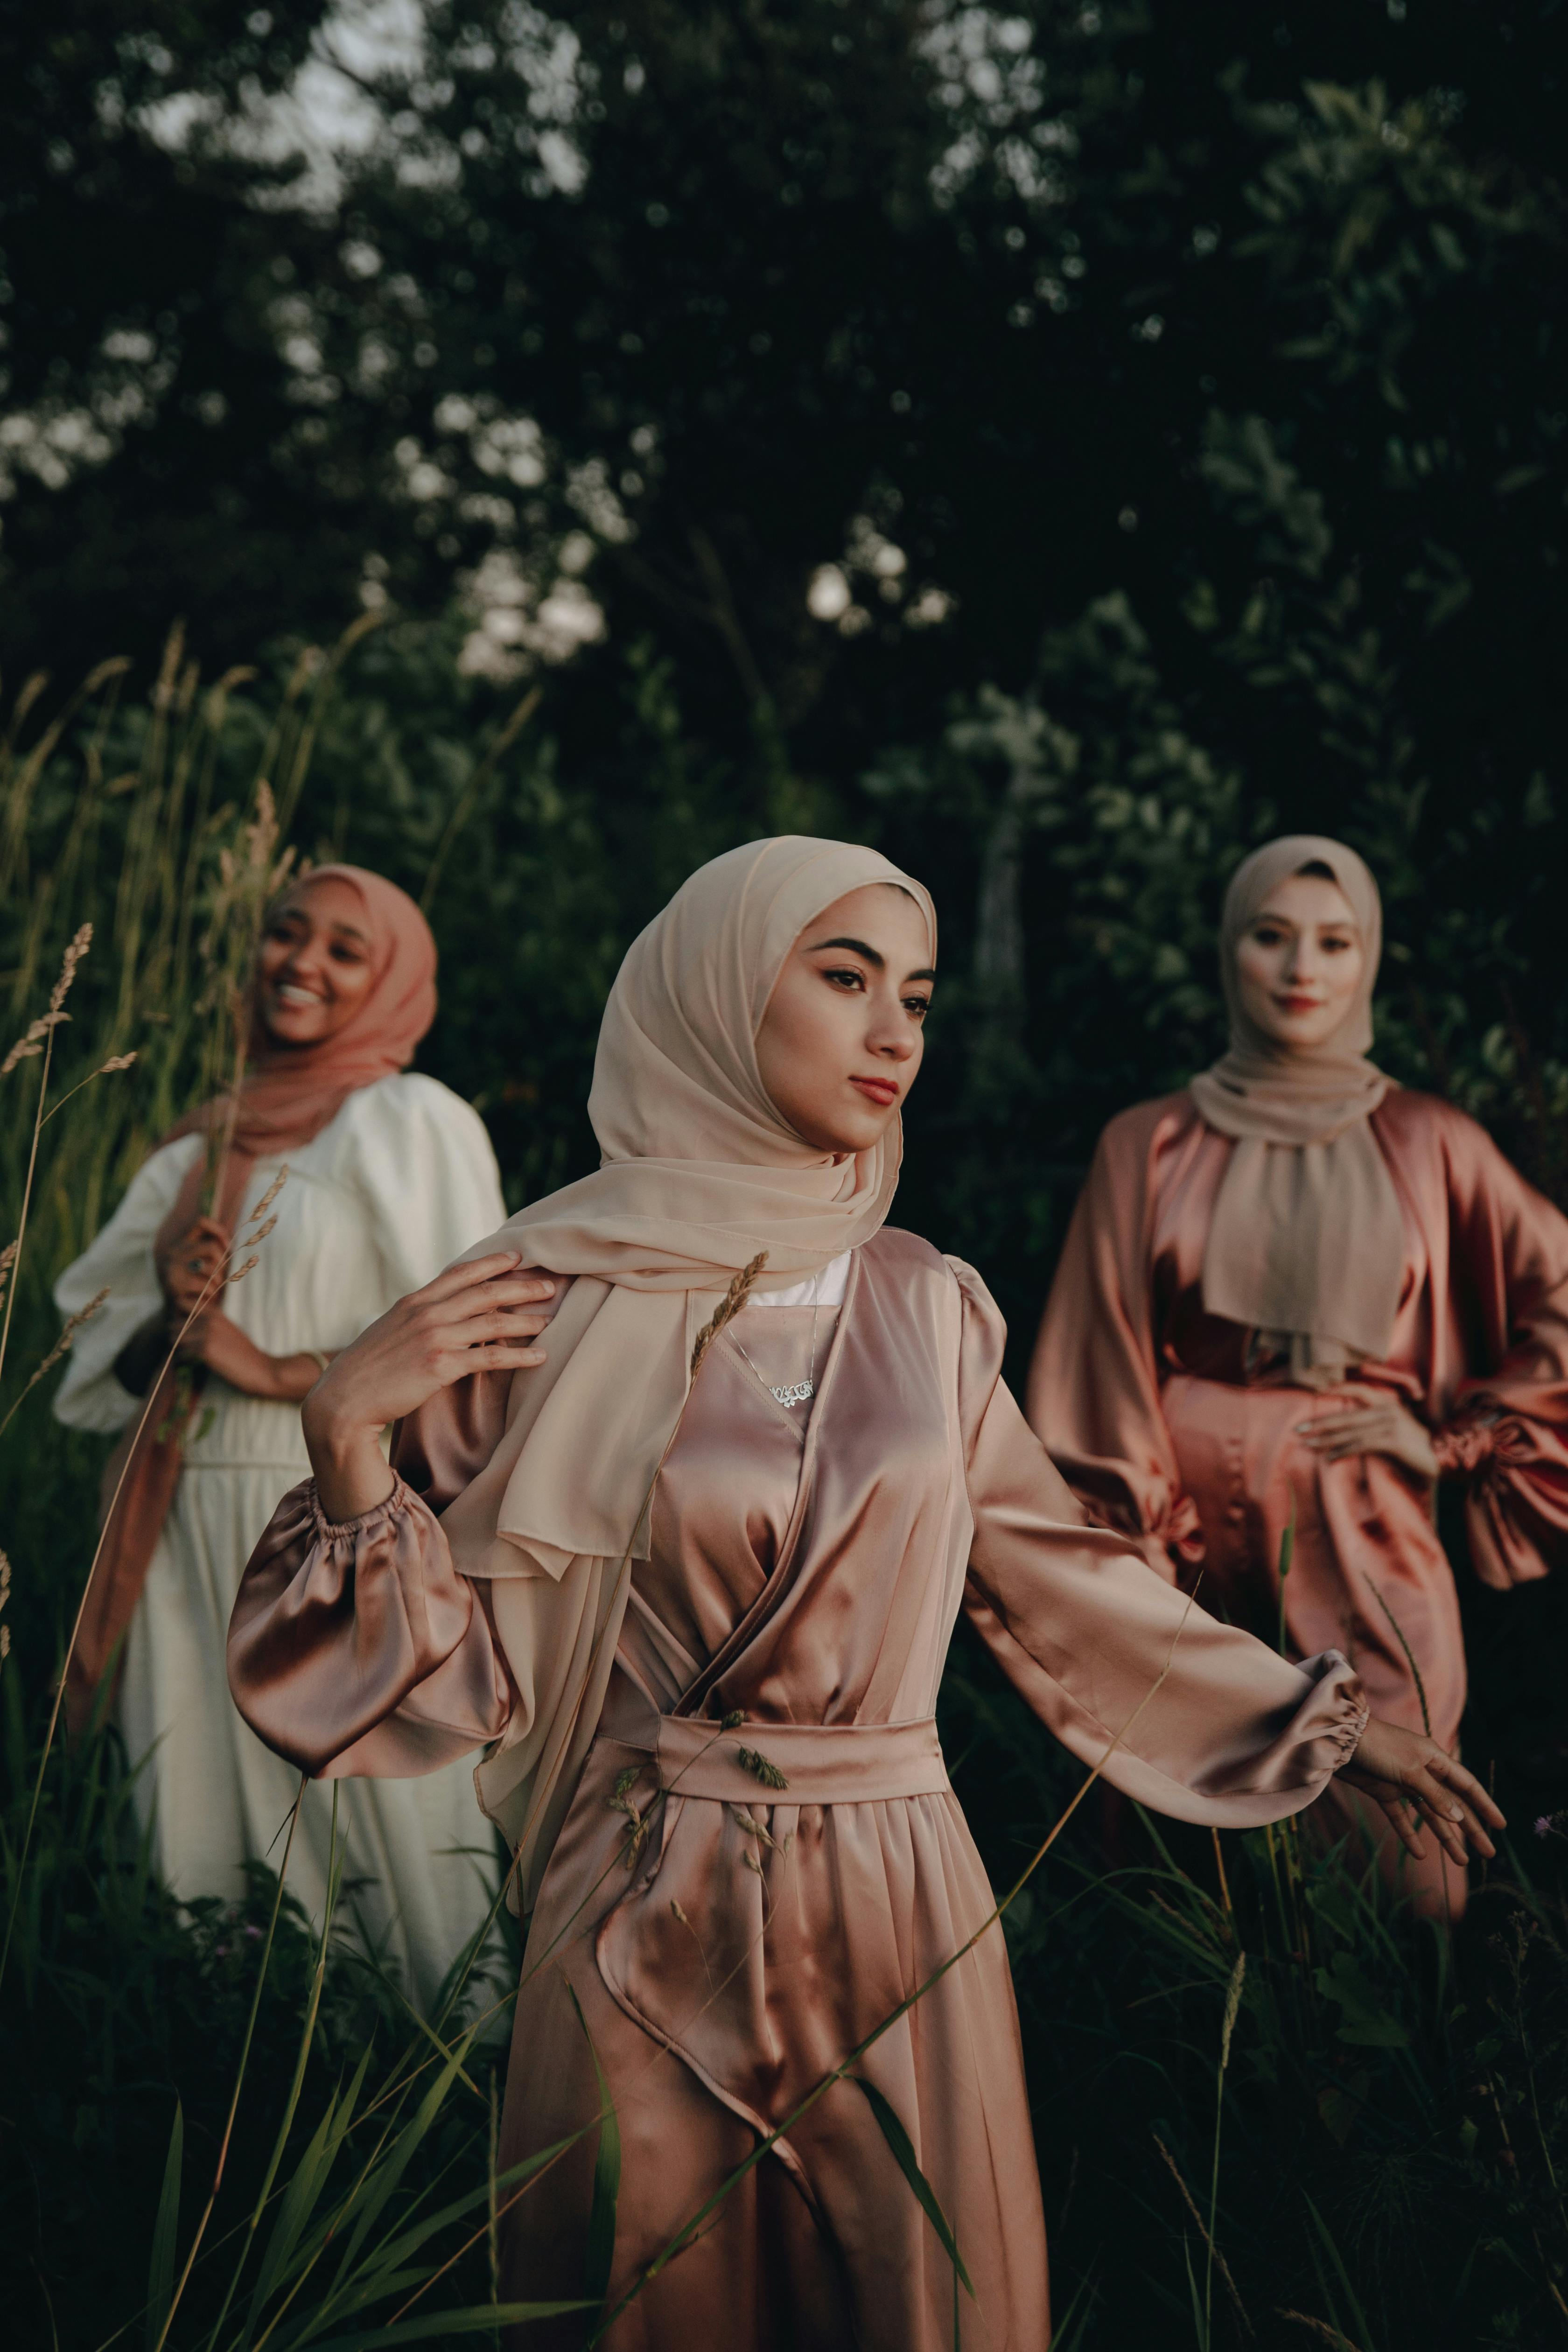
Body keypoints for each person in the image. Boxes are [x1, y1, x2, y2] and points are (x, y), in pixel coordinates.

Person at [226, 836, 1499, 2349]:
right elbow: (433, 1691)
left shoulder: (930, 1302)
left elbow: (1074, 1589)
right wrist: (346, 1447)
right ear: (718, 990)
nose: (897, 1030)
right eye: (844, 979)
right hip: (636, 1902)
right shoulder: (544, 1291)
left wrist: (1330, 1727)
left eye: (918, 993)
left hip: (900, 1900)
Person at [1028, 832, 1568, 1920]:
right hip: (1178, 1546)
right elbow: (1097, 1354)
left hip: (1366, 1531)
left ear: (1370, 959)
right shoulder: (1150, 1144)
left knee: (1405, 1866)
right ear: (1232, 953)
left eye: (1335, 941)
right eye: (1272, 937)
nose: (1301, 970)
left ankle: (1402, 2081)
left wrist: (1456, 1444)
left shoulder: (1431, 1142)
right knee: (1195, 1863)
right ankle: (1218, 2086)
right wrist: (1138, 1552)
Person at [54, 864, 508, 2008]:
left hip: (333, 1513)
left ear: (392, 979)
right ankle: (230, 2057)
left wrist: (269, 1367)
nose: (301, 963)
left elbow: (476, 1348)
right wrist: (171, 1316)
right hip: (180, 1509)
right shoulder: (199, 1143)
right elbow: (85, 1370)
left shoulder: (408, 1121)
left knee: (376, 1807)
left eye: (345, 950)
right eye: (285, 934)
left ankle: (443, 2064)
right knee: (201, 1808)